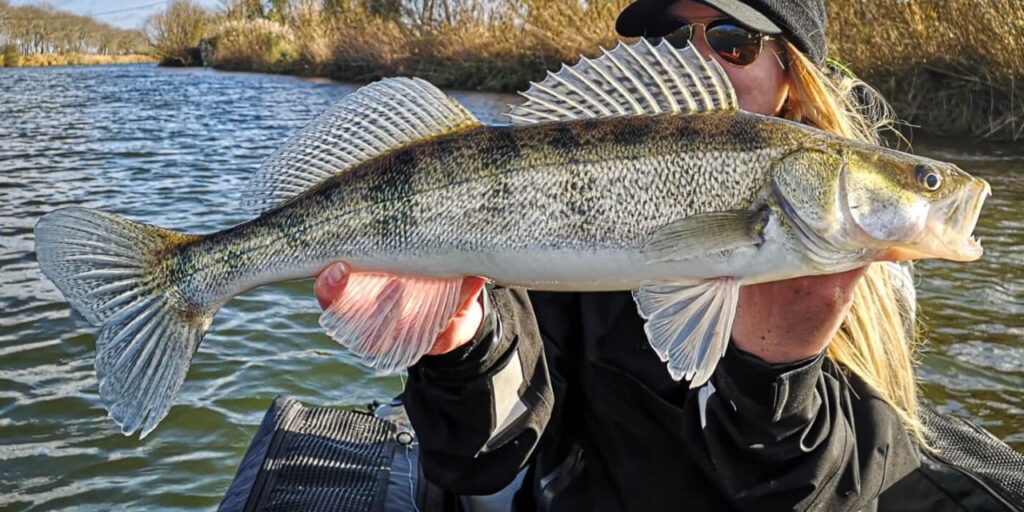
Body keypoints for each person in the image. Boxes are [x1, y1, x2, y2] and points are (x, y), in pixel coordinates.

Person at [313, 0, 924, 509]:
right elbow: (482, 458)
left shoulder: (861, 268)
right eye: (669, 37)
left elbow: (842, 493)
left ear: (794, 76)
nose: (696, 60)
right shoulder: (567, 227)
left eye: (733, 40)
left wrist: (779, 371)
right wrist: (462, 347)